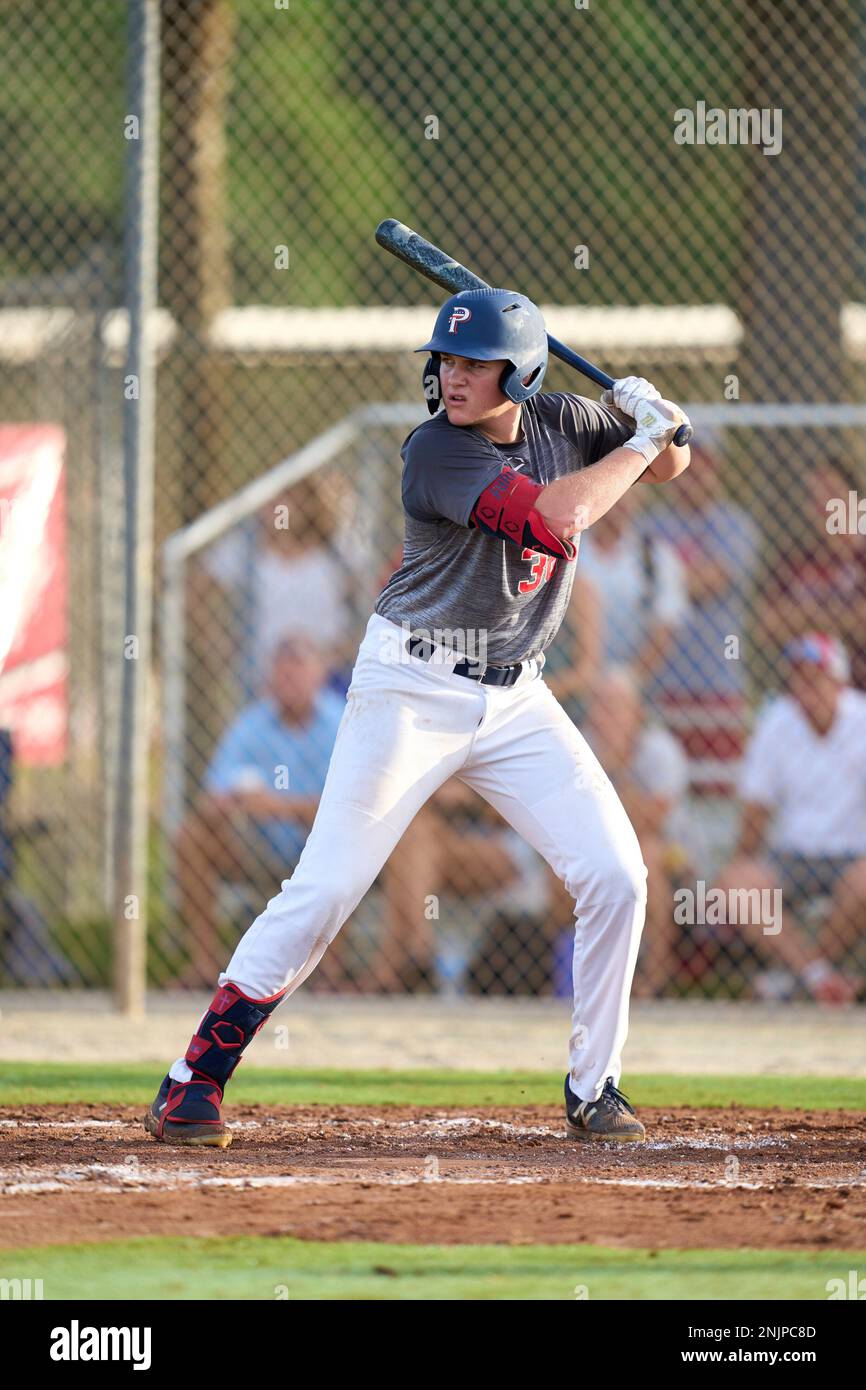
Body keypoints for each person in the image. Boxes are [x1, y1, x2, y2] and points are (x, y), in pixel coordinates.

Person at [144, 286, 691, 1149]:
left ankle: (596, 1087)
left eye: (474, 363)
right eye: (445, 360)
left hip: (517, 696)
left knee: (618, 874)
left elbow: (666, 467)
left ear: (523, 372)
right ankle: (193, 1081)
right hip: (411, 687)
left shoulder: (565, 422)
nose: (452, 376)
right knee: (325, 890)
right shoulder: (435, 451)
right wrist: (645, 442)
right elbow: (559, 518)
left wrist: (652, 420)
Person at [175, 637, 344, 983]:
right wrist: (230, 803)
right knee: (192, 837)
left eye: (299, 674)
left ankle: (330, 974)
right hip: (257, 846)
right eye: (282, 676)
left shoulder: (340, 721)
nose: (290, 684)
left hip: (318, 848)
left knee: (345, 842)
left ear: (318, 678)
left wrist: (279, 807)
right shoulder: (251, 723)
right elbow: (211, 798)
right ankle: (205, 963)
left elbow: (350, 807)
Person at [715, 634, 866, 1003]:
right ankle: (817, 978)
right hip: (791, 856)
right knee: (735, 887)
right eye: (797, 677)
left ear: (838, 681)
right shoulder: (777, 720)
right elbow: (756, 808)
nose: (804, 687)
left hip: (853, 856)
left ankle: (796, 982)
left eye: (815, 677)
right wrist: (742, 861)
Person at [547, 668, 690, 997]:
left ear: (637, 713)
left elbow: (650, 820)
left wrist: (615, 765)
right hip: (596, 847)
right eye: (598, 705)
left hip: (672, 857)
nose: (604, 716)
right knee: (558, 865)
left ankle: (653, 980)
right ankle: (573, 981)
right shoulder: (578, 745)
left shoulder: (659, 749)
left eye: (615, 707)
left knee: (647, 852)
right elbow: (568, 819)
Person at [643, 436, 759, 792]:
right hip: (659, 684)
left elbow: (714, 578)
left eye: (704, 462)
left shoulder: (735, 524)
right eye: (687, 461)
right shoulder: (651, 525)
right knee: (661, 791)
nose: (695, 471)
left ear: (717, 469)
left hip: (717, 683)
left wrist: (664, 577)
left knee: (717, 789)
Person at [575, 483, 689, 688]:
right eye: (618, 487)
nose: (622, 498)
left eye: (631, 489)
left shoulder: (656, 558)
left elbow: (665, 629)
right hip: (571, 683)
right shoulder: (570, 549)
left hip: (634, 689)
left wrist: (625, 684)